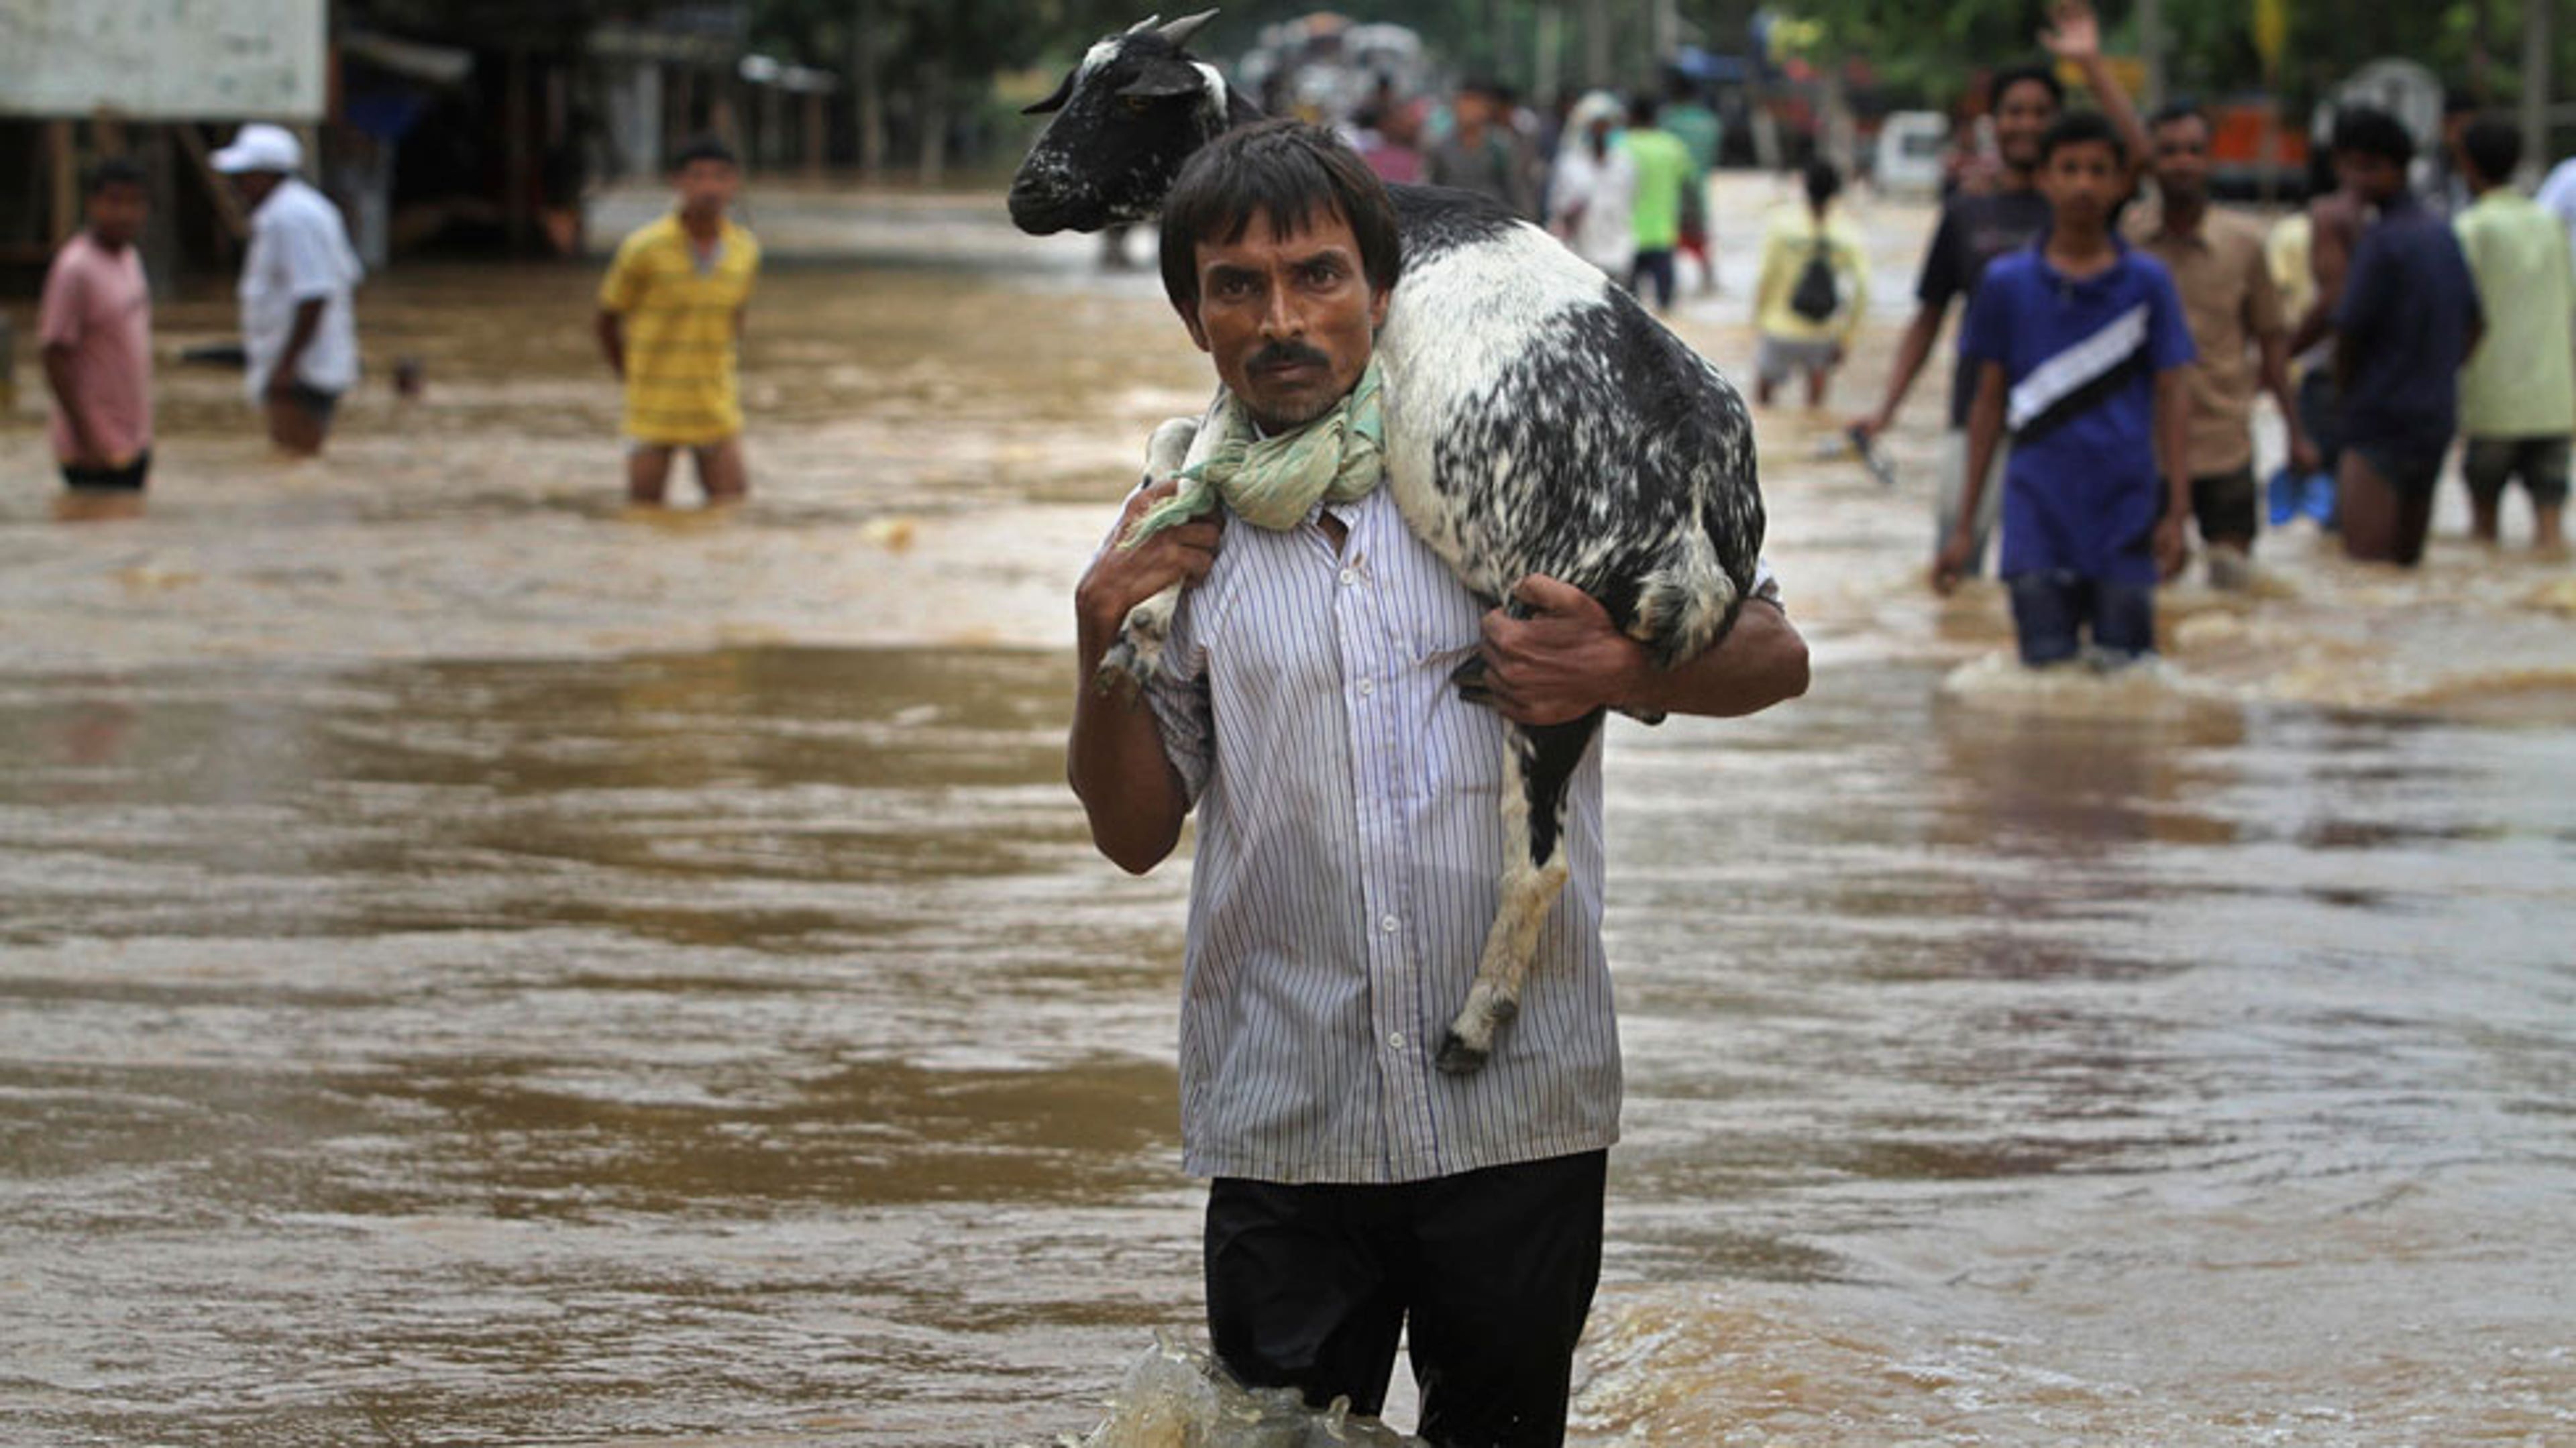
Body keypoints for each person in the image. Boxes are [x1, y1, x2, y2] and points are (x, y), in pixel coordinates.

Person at [1067, 118, 1807, 1447]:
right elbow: (1130, 832)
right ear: (1192, 315)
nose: (1282, 318)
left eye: (1319, 275)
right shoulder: (1173, 523)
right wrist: (1095, 646)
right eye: (1239, 286)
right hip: (1286, 1114)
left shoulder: (1511, 465)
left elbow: (1776, 655)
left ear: (1385, 287)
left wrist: (1620, 656)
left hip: (1521, 1106)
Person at [2051, 1, 2320, 585]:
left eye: (2193, 151)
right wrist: (2093, 68)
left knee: (2234, 593)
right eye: (2169, 151)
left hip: (2225, 444)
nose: (2181, 163)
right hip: (2139, 451)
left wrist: (2297, 433)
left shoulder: (2245, 243)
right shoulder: (2123, 239)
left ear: (2210, 157)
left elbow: (2273, 344)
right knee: (2152, 594)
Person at [1935, 111, 2197, 669]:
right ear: (2046, 179)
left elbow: (2174, 396)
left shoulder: (2148, 284)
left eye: (2100, 170)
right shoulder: (2007, 284)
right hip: (2037, 515)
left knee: (2128, 672)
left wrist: (2177, 511)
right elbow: (1987, 405)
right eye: (2070, 169)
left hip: (2126, 510)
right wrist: (1965, 528)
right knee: (2045, 671)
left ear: (2122, 184)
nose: (2084, 184)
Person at [1851, 56, 2065, 574]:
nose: (2028, 124)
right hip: (1974, 413)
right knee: (1957, 566)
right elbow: (1928, 319)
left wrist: (2092, 66)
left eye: (2042, 112)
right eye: (2015, 111)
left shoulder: (2081, 207)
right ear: (1995, 122)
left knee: (2051, 572)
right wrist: (1887, 410)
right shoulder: (1967, 213)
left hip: (2065, 417)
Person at [2325, 107, 2483, 567]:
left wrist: (2345, 399)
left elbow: (2348, 332)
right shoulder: (2442, 234)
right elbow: (2477, 324)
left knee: (2367, 574)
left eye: (2360, 167)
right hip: (2433, 418)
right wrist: (2438, 372)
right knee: (2406, 570)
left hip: (2378, 421)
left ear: (2388, 167)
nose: (2350, 179)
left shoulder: (2382, 240)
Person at [596, 135, 762, 506]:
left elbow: (736, 321)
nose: (710, 188)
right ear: (678, 182)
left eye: (720, 177)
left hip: (714, 405)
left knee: (733, 509)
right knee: (644, 515)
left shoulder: (745, 250)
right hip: (653, 404)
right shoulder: (643, 248)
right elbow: (607, 319)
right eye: (698, 177)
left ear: (734, 184)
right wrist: (631, 374)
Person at [2451, 117, 2575, 552]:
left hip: (2493, 403)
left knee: (2483, 538)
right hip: (2554, 402)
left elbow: (2457, 314)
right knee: (2551, 538)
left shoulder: (2470, 229)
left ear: (2466, 163)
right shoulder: (2550, 225)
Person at [211, 123, 363, 457]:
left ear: (266, 174)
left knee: (294, 455)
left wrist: (286, 365)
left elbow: (314, 295)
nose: (236, 185)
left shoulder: (290, 217)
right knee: (294, 462)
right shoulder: (302, 210)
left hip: (301, 372)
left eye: (243, 175)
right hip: (302, 363)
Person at [39, 158, 154, 500]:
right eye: (114, 201)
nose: (125, 214)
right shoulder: (75, 268)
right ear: (92, 204)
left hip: (133, 438)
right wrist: (87, 437)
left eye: (134, 203)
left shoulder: (130, 258)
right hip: (94, 448)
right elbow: (54, 353)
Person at [1750, 160, 1868, 408]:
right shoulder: (1846, 231)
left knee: (1762, 404)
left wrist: (1759, 320)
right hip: (1823, 331)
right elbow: (1863, 288)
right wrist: (1847, 337)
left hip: (1779, 327)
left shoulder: (1782, 224)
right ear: (1836, 192)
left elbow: (1765, 276)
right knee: (1814, 412)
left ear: (1805, 187)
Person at [1544, 91, 1636, 281]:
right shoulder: (1570, 164)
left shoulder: (1624, 163)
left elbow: (1631, 200)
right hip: (1581, 255)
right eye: (1597, 127)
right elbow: (1557, 206)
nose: (1602, 133)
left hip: (1618, 251)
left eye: (1606, 127)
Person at [1619, 95, 1696, 313]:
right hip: (1664, 234)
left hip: (1627, 237)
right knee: (1667, 310)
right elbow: (1688, 186)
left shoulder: (1621, 145)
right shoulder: (1673, 146)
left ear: (1631, 117)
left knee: (1630, 312)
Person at [1424, 78, 1538, 220]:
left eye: (1473, 102)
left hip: (1493, 223)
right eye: (1462, 101)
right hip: (1452, 224)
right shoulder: (1441, 147)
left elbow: (1518, 191)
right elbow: (1430, 190)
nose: (1465, 109)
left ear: (1486, 108)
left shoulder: (1501, 147)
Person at [1660, 71, 1723, 294]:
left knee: (1667, 239)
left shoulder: (1667, 120)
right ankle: (1708, 280)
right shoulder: (1710, 122)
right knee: (1700, 238)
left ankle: (1668, 288)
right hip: (1699, 189)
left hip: (1671, 191)